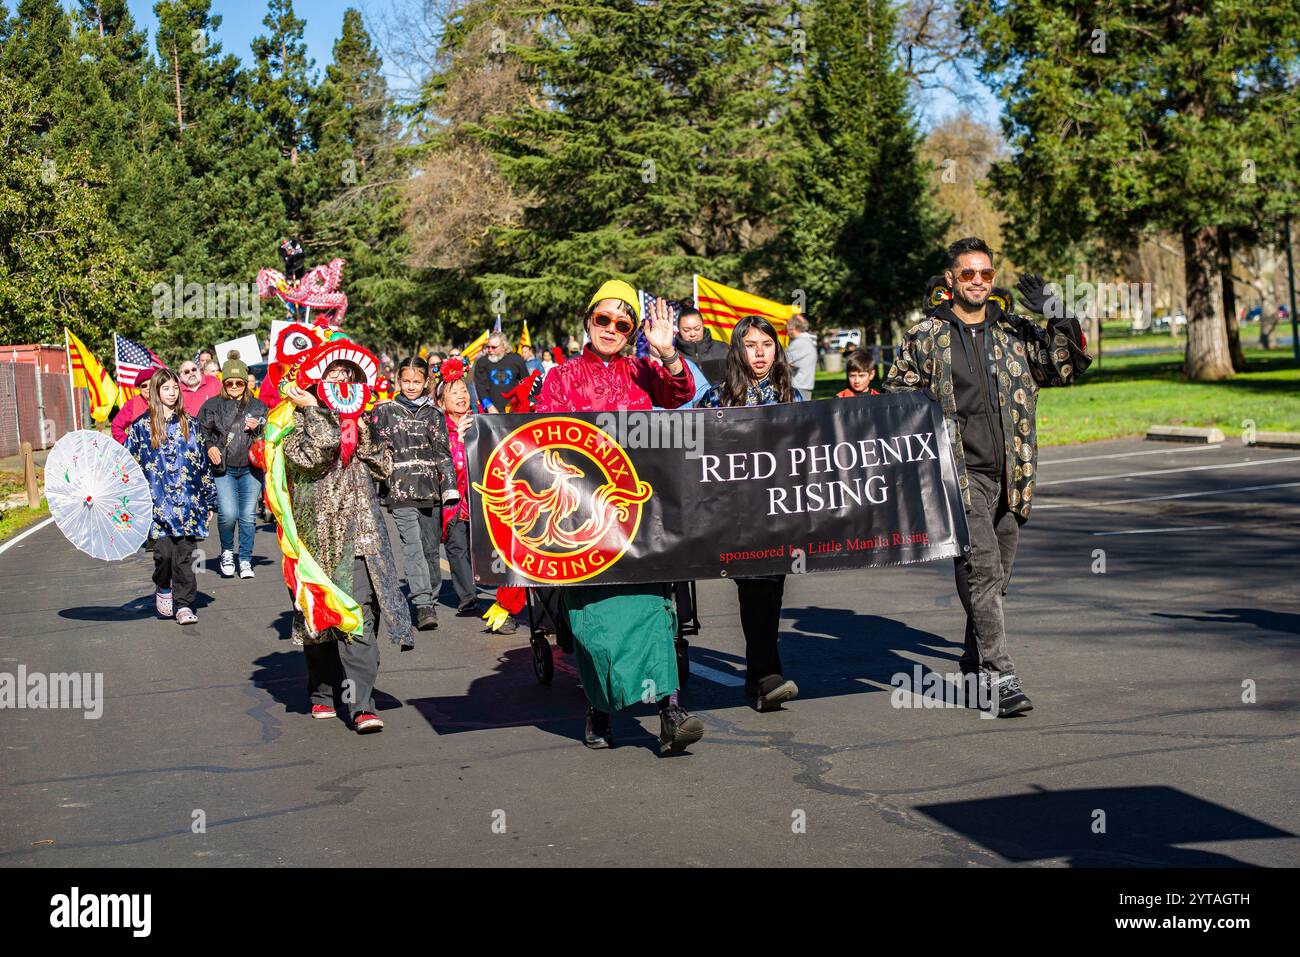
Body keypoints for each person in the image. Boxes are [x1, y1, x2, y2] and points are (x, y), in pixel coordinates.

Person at [882, 237, 1091, 717]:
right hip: (958, 473)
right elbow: (897, 402)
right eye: (969, 274)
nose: (978, 281)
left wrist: (1058, 314)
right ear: (951, 280)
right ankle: (1000, 676)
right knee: (983, 570)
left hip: (1013, 472)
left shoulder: (1015, 330)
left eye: (986, 274)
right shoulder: (925, 336)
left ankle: (975, 663)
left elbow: (1064, 368)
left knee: (997, 577)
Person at [535, 279, 704, 753]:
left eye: (622, 322)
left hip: (643, 519)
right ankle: (599, 709)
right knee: (597, 622)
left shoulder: (643, 370)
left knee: (655, 611)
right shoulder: (561, 379)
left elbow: (678, 394)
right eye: (603, 319)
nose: (611, 328)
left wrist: (669, 354)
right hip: (584, 525)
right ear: (589, 321)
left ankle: (669, 709)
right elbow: (544, 443)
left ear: (632, 330)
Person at [282, 357, 413, 735]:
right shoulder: (292, 422)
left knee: (359, 617)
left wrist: (359, 427)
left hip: (362, 536)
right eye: (332, 374)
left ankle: (360, 706)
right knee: (320, 621)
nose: (341, 380)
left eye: (348, 376)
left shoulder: (361, 422)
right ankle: (322, 691)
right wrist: (313, 411)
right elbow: (319, 450)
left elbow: (384, 465)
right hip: (317, 539)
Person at [697, 315, 803, 711]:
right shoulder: (717, 397)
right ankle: (767, 675)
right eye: (751, 345)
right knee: (754, 587)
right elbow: (695, 451)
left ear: (777, 350)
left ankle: (756, 674)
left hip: (780, 513)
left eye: (767, 345)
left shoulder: (793, 396)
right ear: (738, 350)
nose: (759, 353)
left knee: (771, 591)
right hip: (737, 516)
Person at [368, 356, 459, 631]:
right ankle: (423, 605)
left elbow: (443, 453)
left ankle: (428, 595)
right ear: (398, 381)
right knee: (413, 546)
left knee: (431, 549)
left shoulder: (434, 415)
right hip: (399, 489)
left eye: (416, 382)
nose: (411, 386)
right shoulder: (384, 411)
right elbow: (376, 451)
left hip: (431, 488)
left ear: (426, 382)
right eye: (406, 381)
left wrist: (450, 488)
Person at [125, 368, 216, 626]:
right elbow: (126, 463)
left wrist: (209, 499)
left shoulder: (192, 424)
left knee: (185, 557)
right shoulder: (142, 427)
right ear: (155, 391)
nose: (172, 393)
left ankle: (184, 605)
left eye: (175, 388)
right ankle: (163, 586)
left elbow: (202, 465)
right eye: (166, 388)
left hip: (189, 502)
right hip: (157, 506)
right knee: (164, 555)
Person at [197, 359, 268, 579]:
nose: (235, 386)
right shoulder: (211, 406)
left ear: (246, 383)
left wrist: (260, 428)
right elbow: (201, 432)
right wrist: (209, 447)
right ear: (223, 382)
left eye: (240, 382)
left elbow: (271, 436)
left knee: (247, 516)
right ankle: (227, 552)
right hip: (223, 468)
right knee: (228, 514)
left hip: (250, 468)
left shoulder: (258, 406)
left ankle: (245, 559)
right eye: (230, 383)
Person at [436, 358, 479, 617]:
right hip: (454, 502)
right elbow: (446, 466)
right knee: (457, 546)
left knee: (481, 547)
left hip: (481, 498)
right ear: (442, 402)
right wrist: (459, 439)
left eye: (464, 390)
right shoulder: (438, 428)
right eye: (454, 393)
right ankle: (467, 596)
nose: (461, 396)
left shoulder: (482, 422)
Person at [471, 333, 529, 414]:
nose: (489, 350)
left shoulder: (516, 360)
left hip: (515, 410)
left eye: (494, 347)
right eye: (488, 347)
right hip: (492, 411)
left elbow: (526, 383)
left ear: (503, 347)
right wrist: (489, 406)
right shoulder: (482, 362)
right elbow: (481, 388)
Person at [675, 306, 728, 385]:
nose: (693, 334)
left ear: (703, 325)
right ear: (678, 329)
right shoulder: (673, 355)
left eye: (697, 329)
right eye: (686, 330)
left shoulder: (723, 349)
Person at [110, 367, 159, 443]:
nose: (148, 388)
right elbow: (116, 426)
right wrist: (128, 444)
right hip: (141, 451)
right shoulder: (132, 404)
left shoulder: (166, 400)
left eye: (152, 384)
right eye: (144, 386)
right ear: (139, 388)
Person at [784, 313, 817, 397]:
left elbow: (782, 360)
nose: (787, 332)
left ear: (793, 328)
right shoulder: (808, 340)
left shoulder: (799, 343)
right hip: (805, 385)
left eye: (787, 328)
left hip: (798, 387)